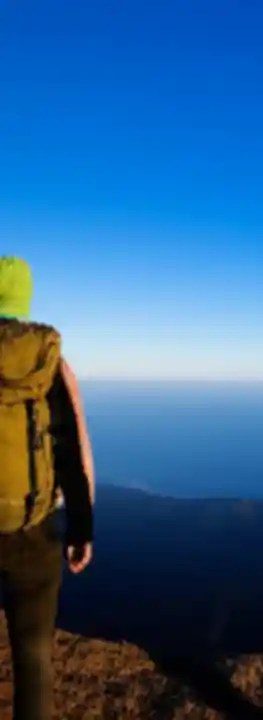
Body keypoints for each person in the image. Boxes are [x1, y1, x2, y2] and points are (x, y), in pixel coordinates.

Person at [0, 256, 94, 720]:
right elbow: (69, 452)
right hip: (34, 532)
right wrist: (82, 529)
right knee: (33, 660)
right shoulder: (47, 363)